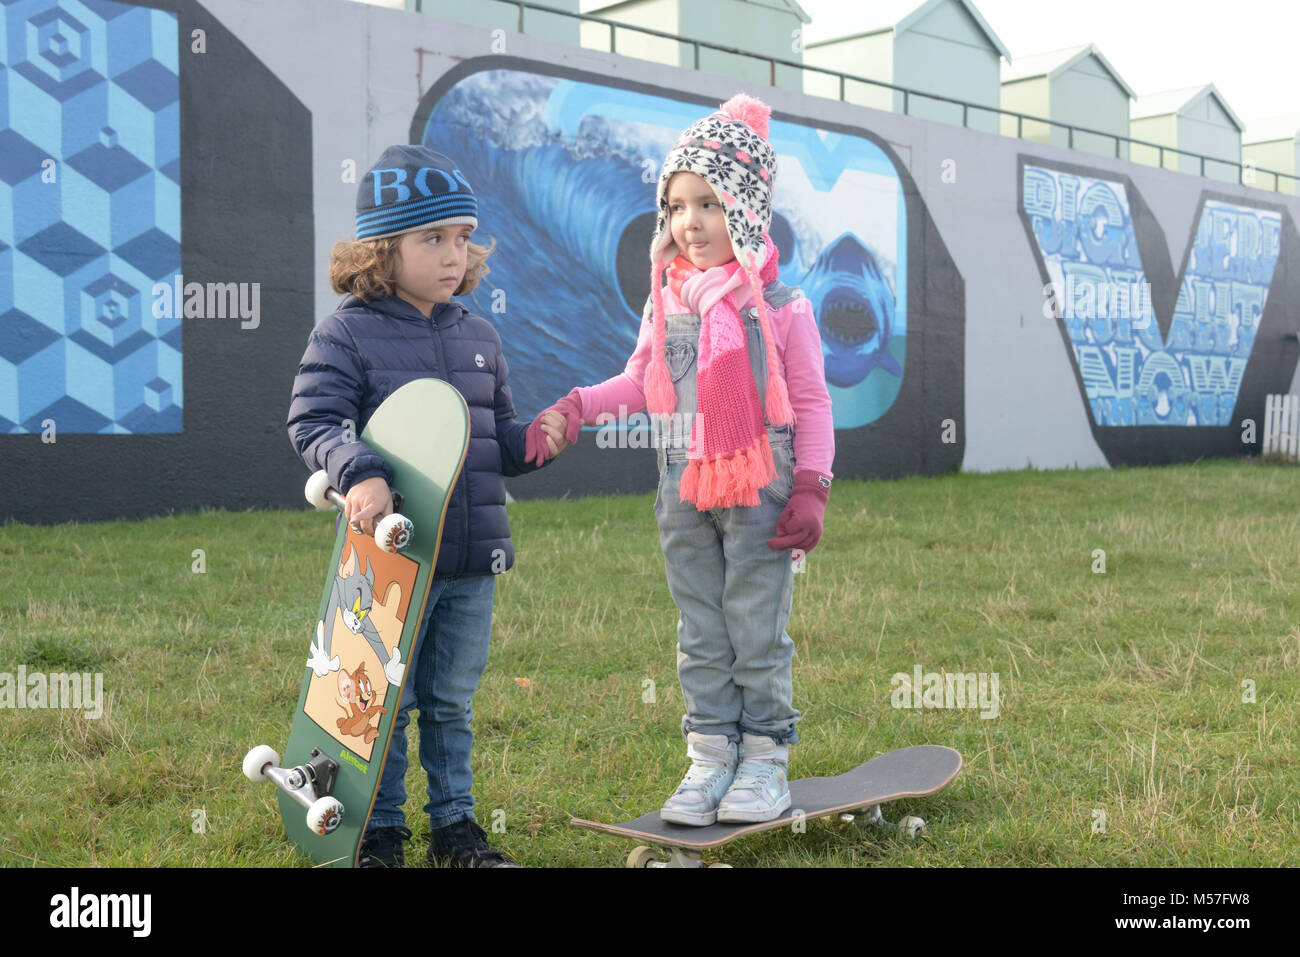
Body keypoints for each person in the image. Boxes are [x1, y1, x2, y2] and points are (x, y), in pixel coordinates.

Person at [529, 94, 834, 825]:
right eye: (675, 205)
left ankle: (764, 758)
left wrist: (814, 488)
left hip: (765, 486)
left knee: (755, 624)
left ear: (749, 206)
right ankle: (709, 759)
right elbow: (639, 380)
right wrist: (578, 404)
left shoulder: (782, 305)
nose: (688, 222)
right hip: (682, 488)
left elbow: (814, 402)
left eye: (709, 203)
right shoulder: (666, 302)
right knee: (700, 627)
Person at [287, 145, 567, 866]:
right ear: (383, 248)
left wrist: (537, 441)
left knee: (450, 703)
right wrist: (360, 473)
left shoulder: (479, 335)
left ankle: (457, 829)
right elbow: (315, 423)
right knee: (383, 705)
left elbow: (496, 442)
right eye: (433, 238)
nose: (454, 254)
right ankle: (378, 833)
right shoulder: (346, 332)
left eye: (464, 237)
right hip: (394, 558)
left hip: (471, 558)